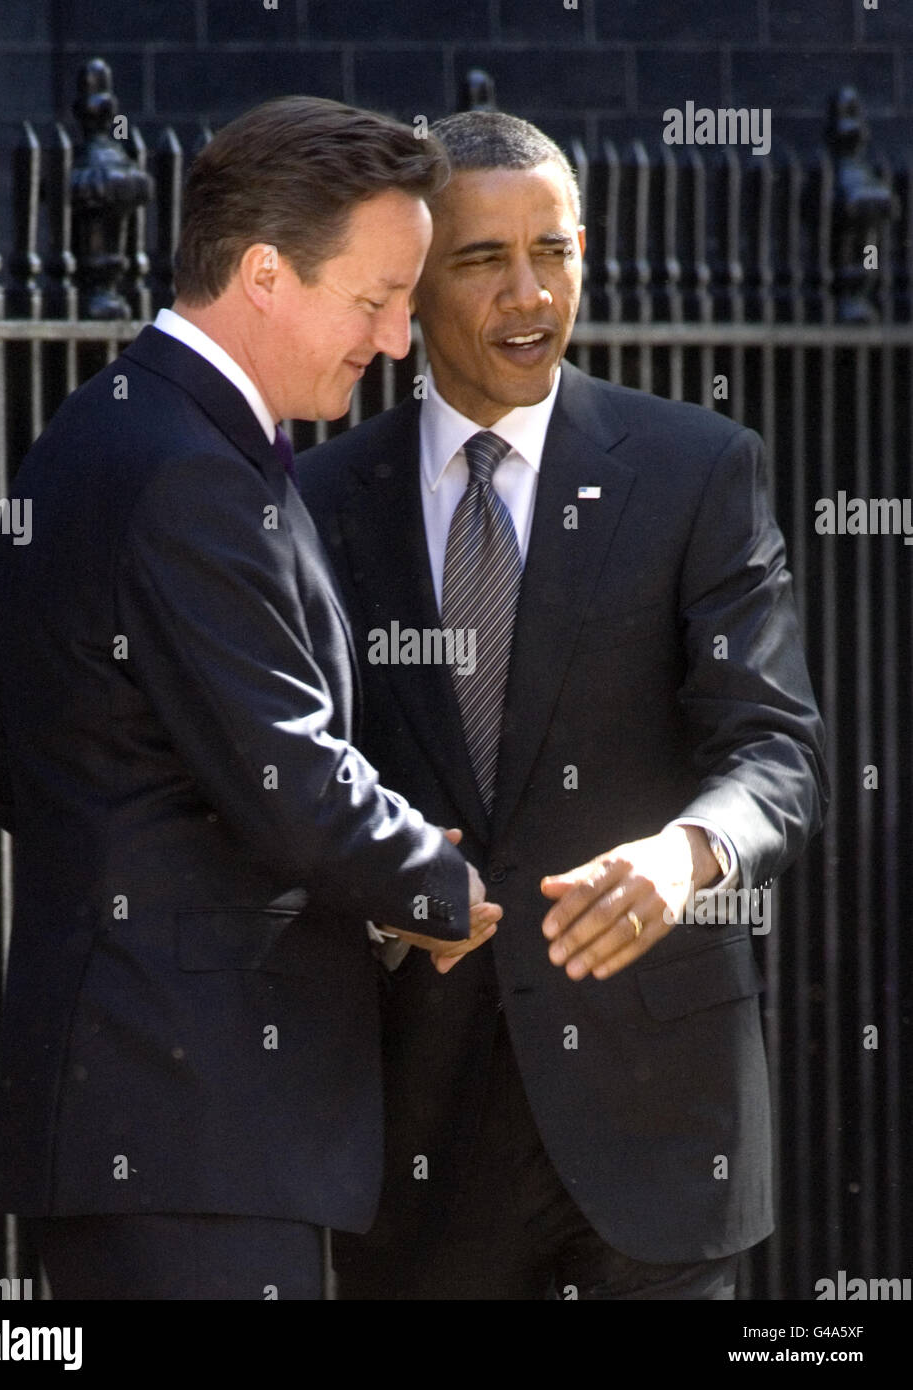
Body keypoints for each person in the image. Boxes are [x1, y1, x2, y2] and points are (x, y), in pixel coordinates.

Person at [0, 97, 500, 1301]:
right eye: (374, 299)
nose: (400, 340)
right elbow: (293, 781)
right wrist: (435, 885)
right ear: (264, 273)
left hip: (148, 1111)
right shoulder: (192, 472)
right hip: (194, 1116)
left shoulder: (99, 430)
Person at [299, 110, 829, 1300]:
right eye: (483, 260)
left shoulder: (698, 469)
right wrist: (375, 895)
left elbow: (779, 752)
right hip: (416, 1134)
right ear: (412, 288)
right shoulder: (319, 498)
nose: (529, 292)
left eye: (557, 251)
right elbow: (286, 771)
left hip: (659, 1116)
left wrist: (690, 854)